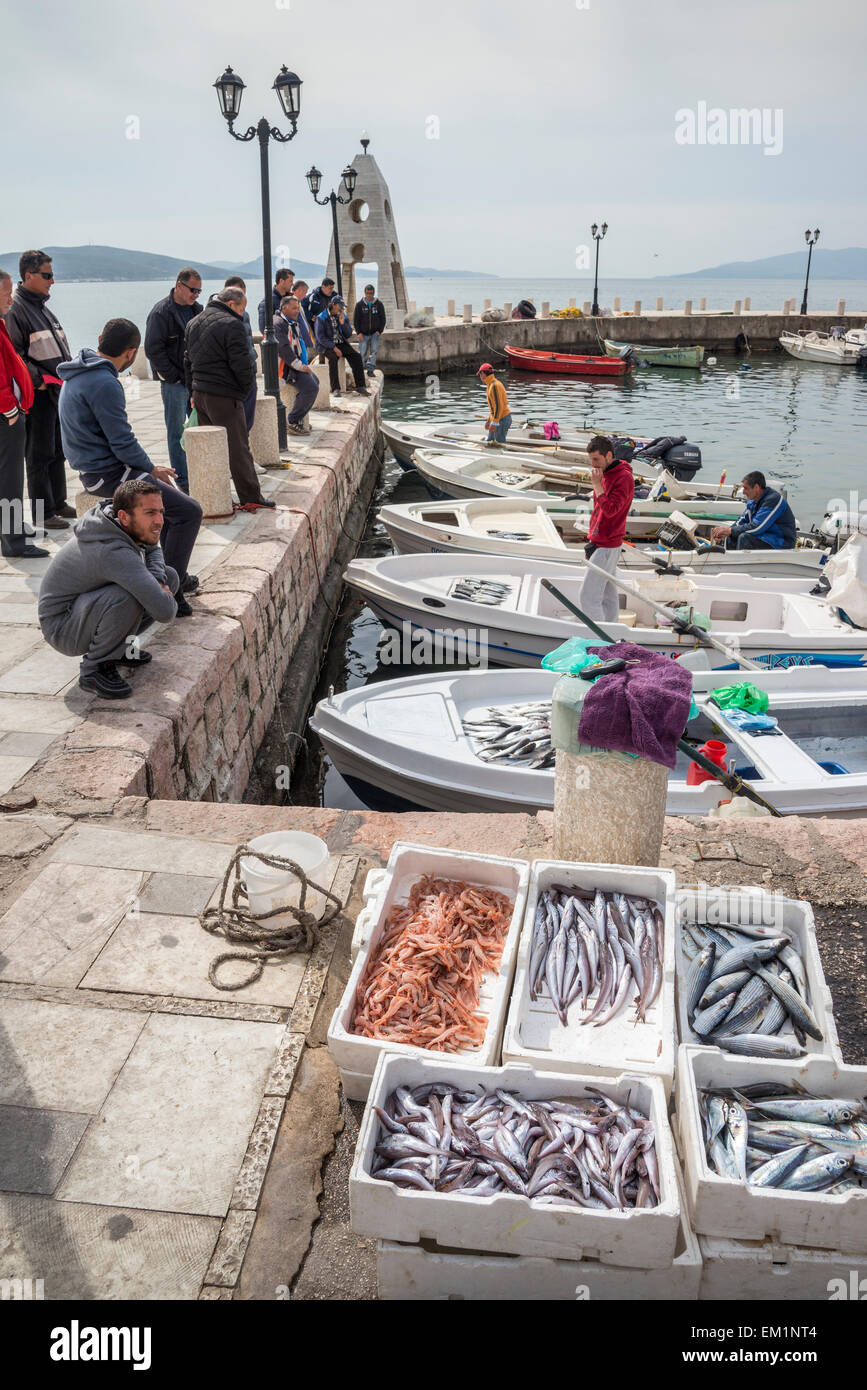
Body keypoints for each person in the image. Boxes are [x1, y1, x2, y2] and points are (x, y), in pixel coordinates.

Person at [57, 318, 203, 614]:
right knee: (189, 512)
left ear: (100, 338)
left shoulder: (77, 373)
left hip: (97, 468)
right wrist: (151, 468)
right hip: (107, 474)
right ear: (132, 353)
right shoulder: (104, 382)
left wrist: (149, 469)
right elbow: (122, 441)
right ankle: (168, 592)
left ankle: (175, 574)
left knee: (168, 507)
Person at [38, 477, 181, 699]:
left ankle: (122, 649)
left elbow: (153, 548)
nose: (160, 521)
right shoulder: (110, 550)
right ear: (124, 516)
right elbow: (166, 612)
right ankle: (93, 670)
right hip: (63, 628)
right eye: (151, 513)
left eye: (161, 512)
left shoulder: (119, 522)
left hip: (83, 609)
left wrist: (159, 582)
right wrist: (158, 591)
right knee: (127, 597)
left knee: (168, 576)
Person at [184, 288, 274, 509]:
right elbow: (241, 364)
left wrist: (192, 392)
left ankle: (214, 499)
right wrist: (243, 392)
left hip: (200, 392)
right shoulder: (231, 324)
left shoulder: (194, 322)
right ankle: (251, 498)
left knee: (211, 448)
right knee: (238, 448)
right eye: (241, 308)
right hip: (224, 395)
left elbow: (187, 361)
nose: (242, 313)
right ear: (232, 304)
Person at [5, 250, 74, 530]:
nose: (52, 281)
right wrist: (40, 380)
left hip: (56, 394)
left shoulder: (42, 307)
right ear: (28, 276)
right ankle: (42, 513)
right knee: (38, 454)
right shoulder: (18, 309)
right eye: (47, 275)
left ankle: (58, 502)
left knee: (57, 450)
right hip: (39, 396)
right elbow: (15, 356)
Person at [0, 269, 47, 557]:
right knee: (10, 479)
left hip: (11, 413)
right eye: (6, 293)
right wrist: (9, 408)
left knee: (9, 477)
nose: (11, 298)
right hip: (7, 416)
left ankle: (12, 527)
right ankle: (13, 540)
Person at [144, 268, 203, 493]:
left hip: (195, 381)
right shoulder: (161, 313)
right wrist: (174, 376)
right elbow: (152, 349)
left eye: (199, 291)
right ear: (179, 285)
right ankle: (185, 481)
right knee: (177, 432)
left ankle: (200, 471)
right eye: (192, 290)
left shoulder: (198, 310)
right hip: (174, 383)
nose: (196, 295)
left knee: (200, 427)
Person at [578, 434, 635, 622]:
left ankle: (601, 639)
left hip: (608, 544)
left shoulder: (623, 478)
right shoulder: (605, 474)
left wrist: (596, 485)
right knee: (608, 595)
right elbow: (600, 509)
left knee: (588, 597)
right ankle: (611, 632)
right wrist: (591, 539)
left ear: (609, 456)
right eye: (591, 460)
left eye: (596, 459)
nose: (593, 464)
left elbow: (611, 510)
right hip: (601, 541)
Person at [712, 471, 798, 551]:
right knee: (732, 536)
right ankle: (730, 564)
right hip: (766, 536)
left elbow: (757, 527)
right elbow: (742, 521)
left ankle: (741, 565)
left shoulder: (773, 500)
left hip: (782, 543)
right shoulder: (753, 501)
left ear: (756, 487)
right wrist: (726, 531)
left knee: (744, 538)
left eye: (746, 488)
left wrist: (730, 531)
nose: (743, 492)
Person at [274, 296, 318, 435]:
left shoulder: (291, 322)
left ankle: (300, 418)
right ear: (284, 308)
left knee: (315, 381)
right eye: (294, 308)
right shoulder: (278, 324)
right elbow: (284, 350)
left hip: (293, 364)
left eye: (298, 308)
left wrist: (303, 364)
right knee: (311, 387)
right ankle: (293, 421)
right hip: (285, 367)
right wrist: (300, 366)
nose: (297, 311)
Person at [224, 275, 259, 434]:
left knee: (249, 416)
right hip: (235, 374)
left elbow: (249, 340)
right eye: (239, 294)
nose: (242, 299)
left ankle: (245, 451)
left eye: (243, 294)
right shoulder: (223, 317)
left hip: (249, 370)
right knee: (237, 420)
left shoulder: (245, 315)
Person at [314, 298, 369, 396]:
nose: (341, 309)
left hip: (341, 342)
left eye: (342, 307)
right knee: (333, 358)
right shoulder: (321, 317)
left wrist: (343, 324)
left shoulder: (343, 316)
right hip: (326, 345)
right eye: (340, 306)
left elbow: (348, 335)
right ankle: (336, 388)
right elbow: (320, 337)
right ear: (333, 304)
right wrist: (334, 348)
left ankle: (360, 386)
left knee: (356, 356)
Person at [353, 284, 386, 377]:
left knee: (374, 352)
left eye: (371, 293)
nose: (369, 295)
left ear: (373, 293)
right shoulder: (359, 305)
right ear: (365, 293)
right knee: (361, 353)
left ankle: (370, 370)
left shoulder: (379, 304)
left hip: (375, 334)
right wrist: (358, 332)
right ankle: (360, 371)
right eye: (367, 293)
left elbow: (383, 318)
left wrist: (380, 331)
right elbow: (356, 320)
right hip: (363, 334)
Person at [477, 363, 511, 443]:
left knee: (500, 442)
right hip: (497, 418)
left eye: (480, 374)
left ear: (483, 373)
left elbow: (499, 406)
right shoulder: (490, 385)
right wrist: (489, 420)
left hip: (502, 419)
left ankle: (504, 454)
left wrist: (495, 422)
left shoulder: (494, 385)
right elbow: (493, 407)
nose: (480, 377)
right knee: (490, 440)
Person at [257, 268, 294, 334]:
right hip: (280, 342)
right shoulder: (268, 301)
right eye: (290, 281)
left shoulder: (288, 299)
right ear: (282, 281)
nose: (292, 284)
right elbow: (263, 328)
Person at [291, 281, 315, 355]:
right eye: (305, 292)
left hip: (303, 342)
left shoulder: (299, 303)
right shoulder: (292, 304)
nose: (305, 296)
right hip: (299, 343)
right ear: (299, 290)